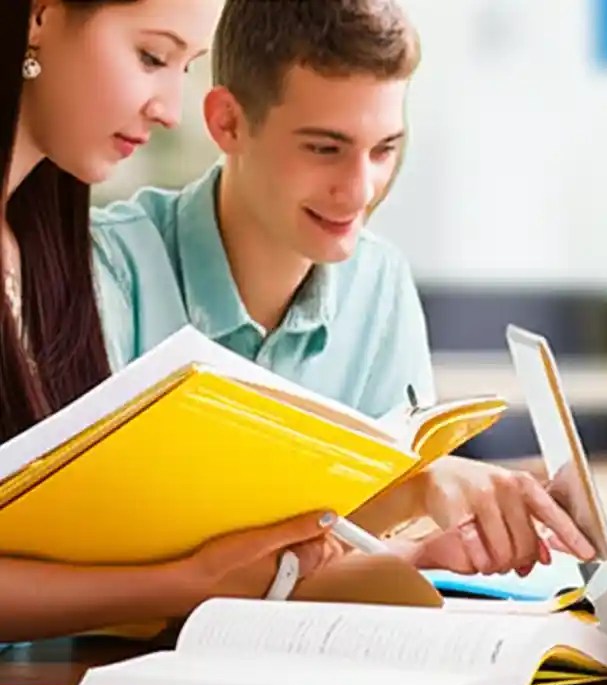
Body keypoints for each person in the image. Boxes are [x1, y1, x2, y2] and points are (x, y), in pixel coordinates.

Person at [90, 0, 594, 579]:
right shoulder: (110, 268)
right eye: (325, 149)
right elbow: (126, 549)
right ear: (228, 123)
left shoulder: (380, 286)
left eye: (384, 150)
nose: (359, 191)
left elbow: (350, 546)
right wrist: (409, 491)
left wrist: (424, 544)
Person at [0, 0, 363, 644]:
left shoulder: (46, 248)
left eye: (185, 67)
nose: (169, 108)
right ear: (39, 17)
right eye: (151, 57)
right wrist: (189, 581)